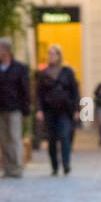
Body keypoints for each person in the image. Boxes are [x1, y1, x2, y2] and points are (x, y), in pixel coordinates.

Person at [0, 37, 30, 178]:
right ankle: (8, 169)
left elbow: (25, 90)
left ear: (6, 50)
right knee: (4, 140)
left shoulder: (19, 68)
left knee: (15, 139)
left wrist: (26, 109)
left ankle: (17, 168)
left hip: (15, 109)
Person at [35, 44, 80, 176]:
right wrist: (39, 110)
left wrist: (77, 109)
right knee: (51, 139)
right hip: (49, 110)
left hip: (65, 110)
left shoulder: (67, 72)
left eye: (53, 53)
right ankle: (54, 166)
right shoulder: (43, 74)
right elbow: (39, 94)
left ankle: (66, 164)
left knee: (65, 135)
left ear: (59, 56)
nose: (50, 56)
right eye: (49, 53)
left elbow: (75, 92)